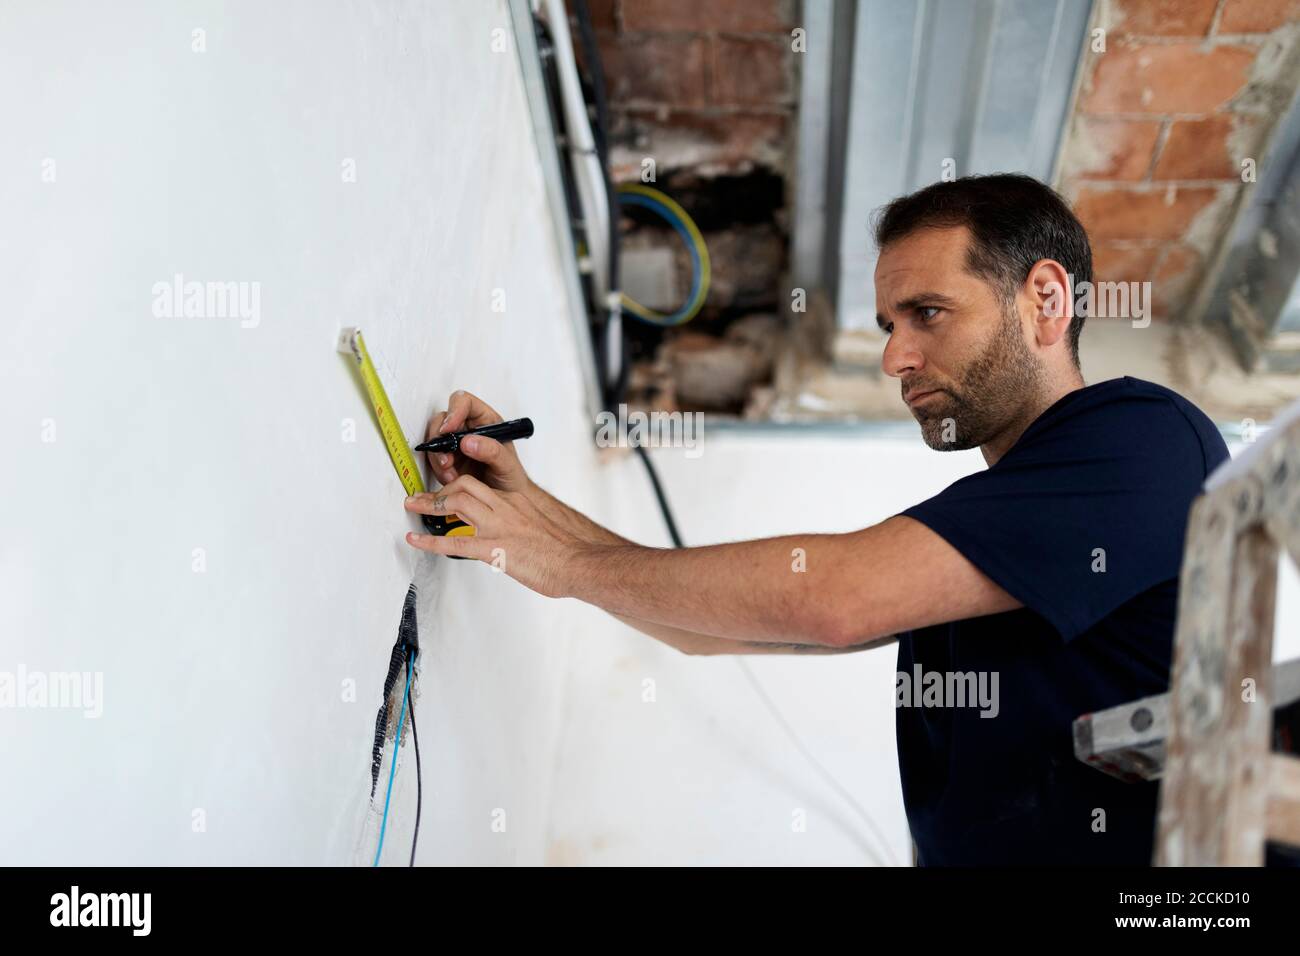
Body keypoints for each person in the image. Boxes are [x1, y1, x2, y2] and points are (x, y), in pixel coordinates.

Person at [403, 174, 1229, 866]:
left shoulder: (1142, 439)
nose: (894, 358)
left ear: (1045, 300)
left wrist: (560, 560)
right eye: (888, 326)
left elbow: (833, 603)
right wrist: (532, 510)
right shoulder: (1007, 532)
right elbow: (709, 631)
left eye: (928, 313)